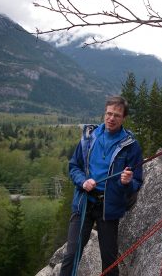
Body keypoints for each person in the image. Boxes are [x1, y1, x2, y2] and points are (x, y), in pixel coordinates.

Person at [60, 96, 143, 276]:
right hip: (84, 202)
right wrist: (83, 181)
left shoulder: (131, 146)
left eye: (117, 115)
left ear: (124, 118)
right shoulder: (90, 137)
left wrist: (128, 183)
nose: (111, 118)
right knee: (72, 255)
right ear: (104, 114)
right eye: (109, 114)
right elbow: (74, 166)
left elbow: (137, 182)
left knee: (109, 261)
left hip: (109, 207)